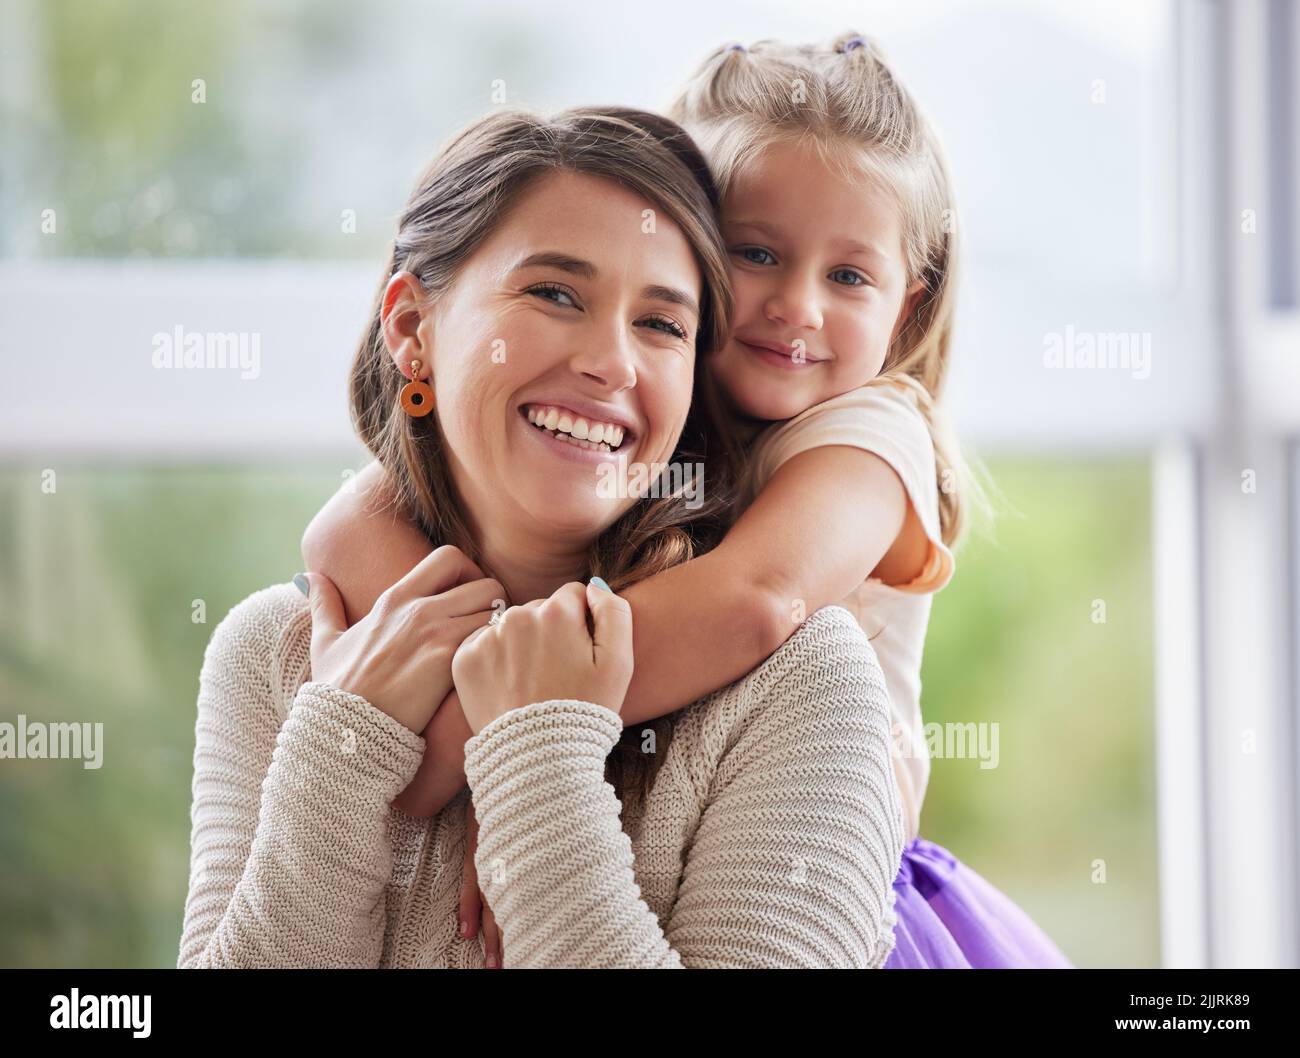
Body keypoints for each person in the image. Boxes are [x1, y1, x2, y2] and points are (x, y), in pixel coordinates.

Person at [176, 105, 906, 969]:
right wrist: (342, 751)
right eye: (556, 293)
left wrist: (539, 765)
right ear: (412, 328)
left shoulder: (801, 682)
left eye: (663, 325)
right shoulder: (273, 657)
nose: (613, 363)